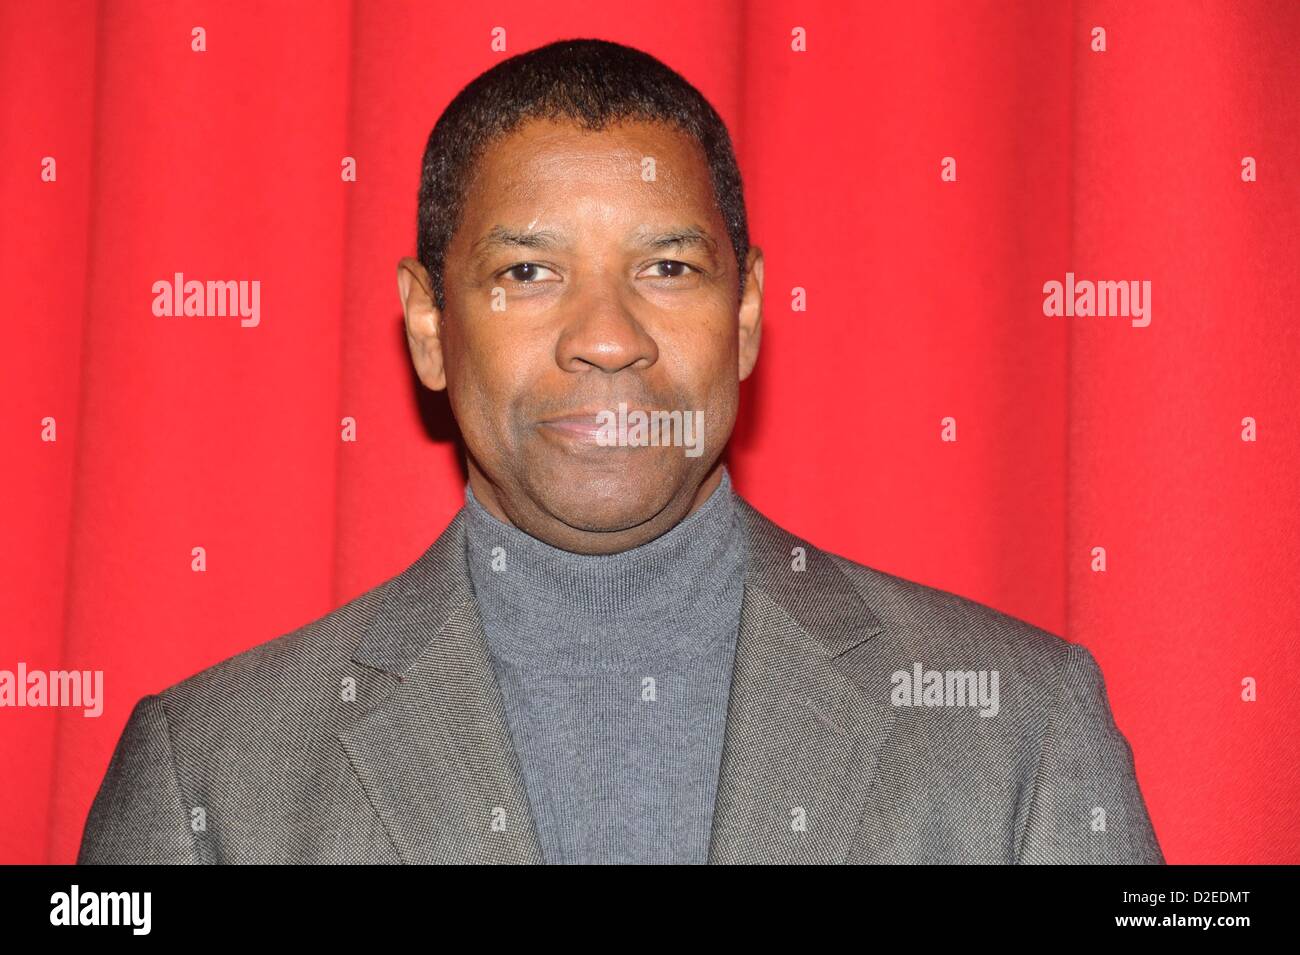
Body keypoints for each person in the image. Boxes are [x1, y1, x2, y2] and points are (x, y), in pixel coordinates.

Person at [78, 37, 1163, 865]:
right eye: (527, 273)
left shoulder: (1018, 727)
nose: (607, 336)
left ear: (743, 319)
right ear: (426, 325)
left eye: (669, 269)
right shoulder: (209, 775)